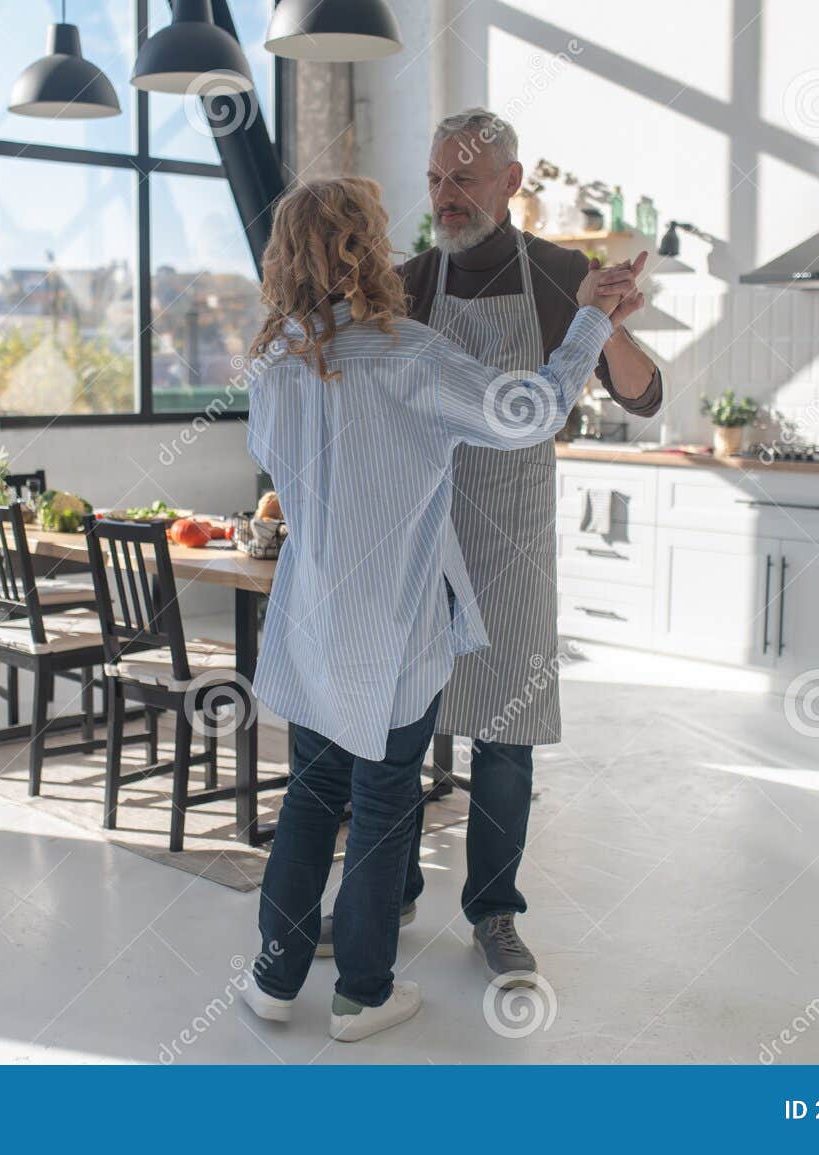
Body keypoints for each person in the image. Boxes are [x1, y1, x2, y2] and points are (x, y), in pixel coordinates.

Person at [237, 176, 630, 1042]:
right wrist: (591, 321)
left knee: (310, 794)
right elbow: (530, 412)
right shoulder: (410, 355)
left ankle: (273, 977)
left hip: (309, 617)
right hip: (395, 623)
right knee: (383, 801)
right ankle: (362, 994)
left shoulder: (273, 363)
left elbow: (275, 461)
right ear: (366, 249)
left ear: (286, 259)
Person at [311, 109, 664, 987]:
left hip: (510, 537)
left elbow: (645, 395)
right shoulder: (407, 281)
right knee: (398, 731)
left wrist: (605, 321)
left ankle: (494, 911)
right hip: (420, 535)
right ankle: (385, 895)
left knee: (506, 735)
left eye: (463, 179)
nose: (445, 196)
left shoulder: (560, 273)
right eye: (435, 179)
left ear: (510, 183)